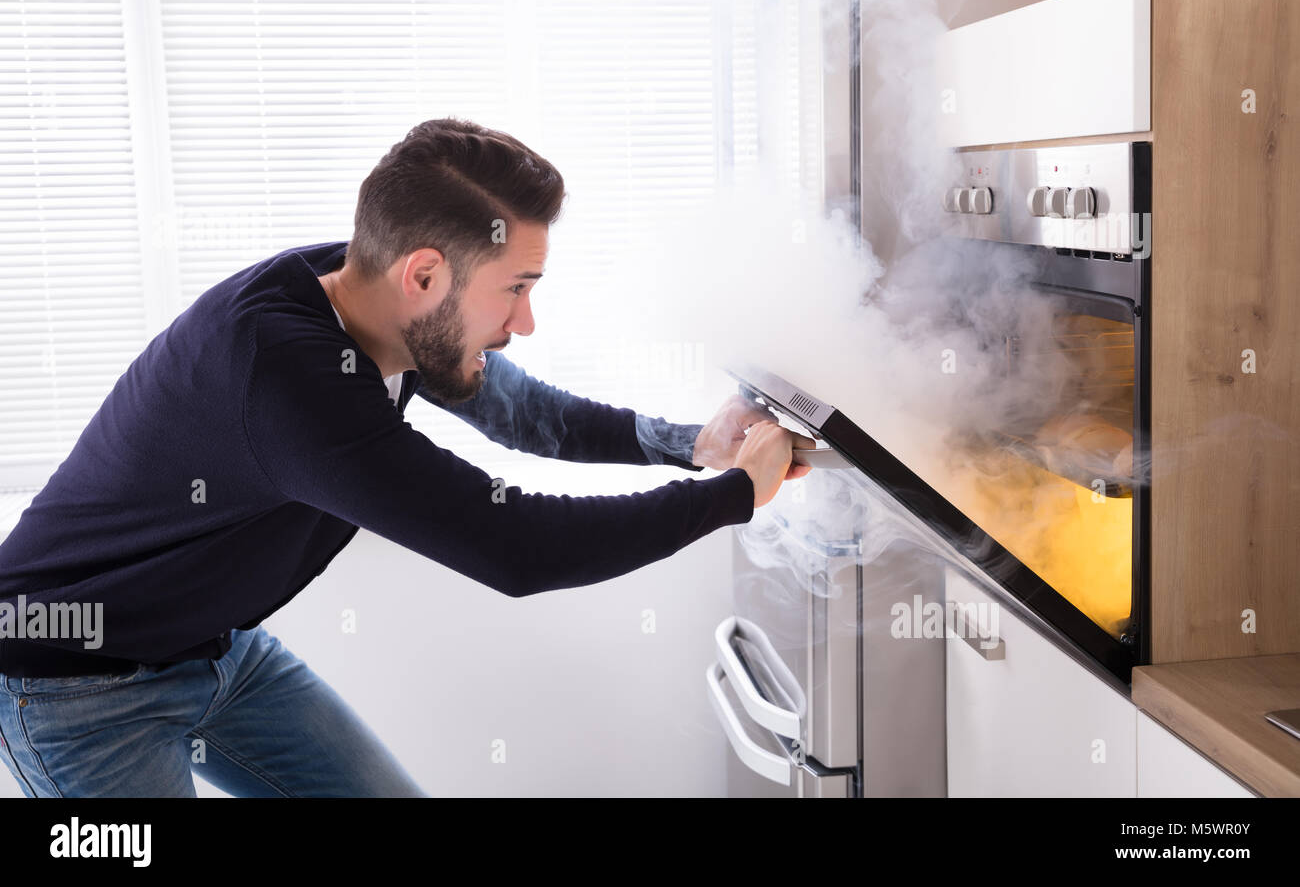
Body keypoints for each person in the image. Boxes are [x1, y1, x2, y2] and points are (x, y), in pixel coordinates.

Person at [0, 117, 813, 797]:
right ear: (424, 274)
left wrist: (690, 446)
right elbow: (517, 548)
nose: (524, 323)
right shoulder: (284, 375)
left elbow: (525, 414)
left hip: (219, 651)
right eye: (516, 288)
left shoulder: (368, 291)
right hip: (73, 686)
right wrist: (735, 496)